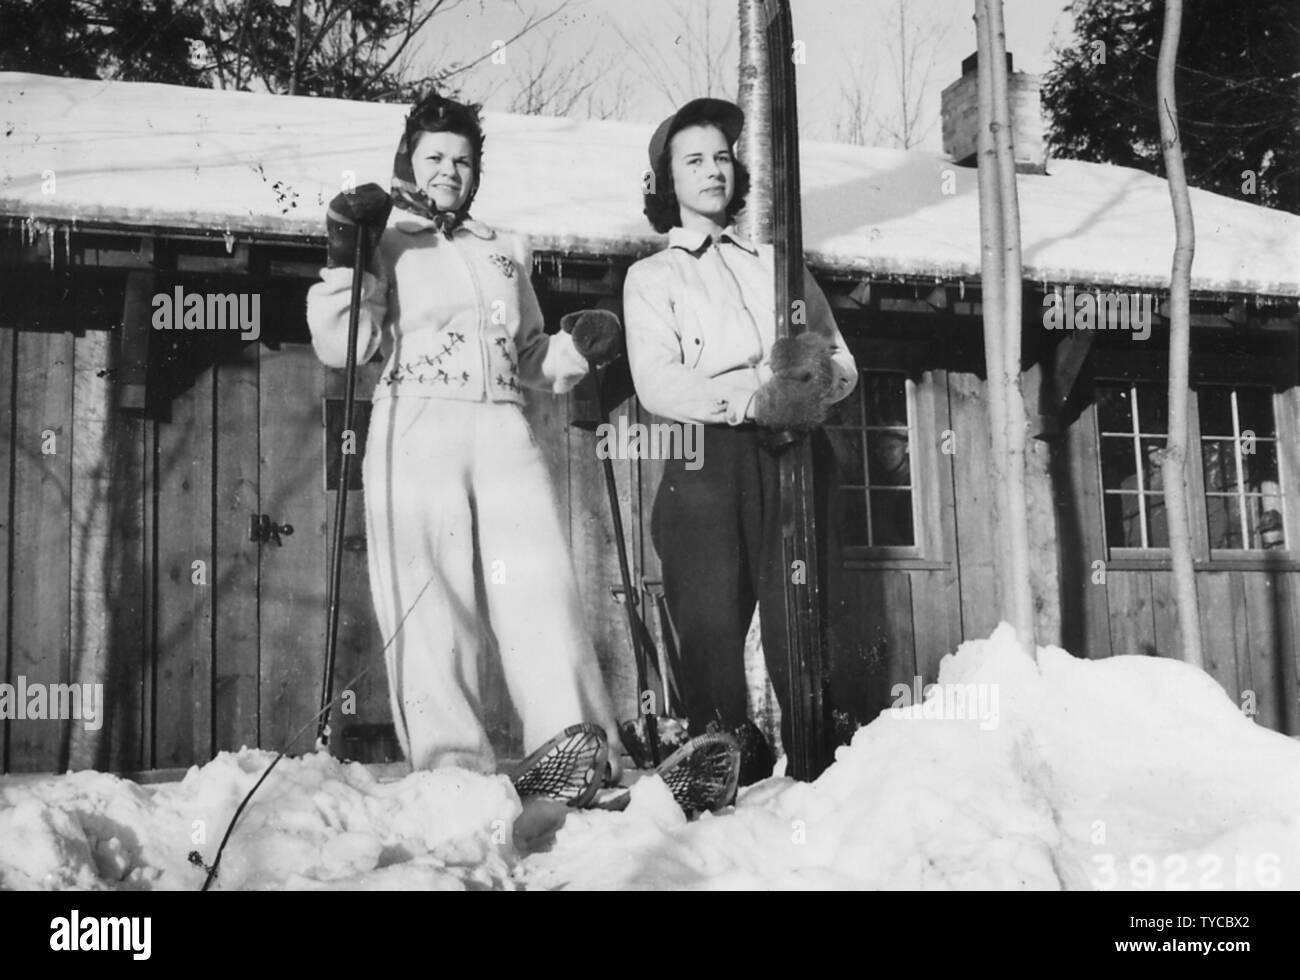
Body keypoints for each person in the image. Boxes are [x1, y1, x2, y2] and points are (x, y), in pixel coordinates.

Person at [305, 92, 623, 795]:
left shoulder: (504, 250)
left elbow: (532, 352)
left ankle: (577, 751)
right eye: (435, 157)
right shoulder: (384, 239)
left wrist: (575, 350)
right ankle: (453, 770)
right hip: (416, 421)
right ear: (408, 161)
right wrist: (344, 257)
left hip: (503, 425)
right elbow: (344, 344)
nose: (449, 169)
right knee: (430, 596)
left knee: (541, 586)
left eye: (463, 159)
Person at [622, 98, 858, 774]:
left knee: (803, 615)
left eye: (722, 156)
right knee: (709, 621)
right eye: (693, 160)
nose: (713, 171)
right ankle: (721, 766)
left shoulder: (778, 267)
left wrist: (807, 387)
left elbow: (844, 364)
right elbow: (659, 384)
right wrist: (754, 399)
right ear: (668, 182)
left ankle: (822, 766)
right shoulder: (654, 277)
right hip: (707, 457)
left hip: (795, 450)